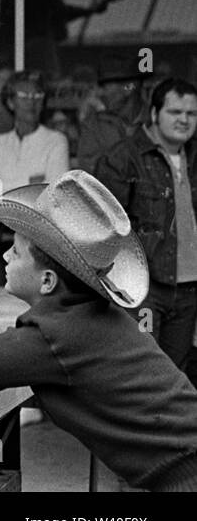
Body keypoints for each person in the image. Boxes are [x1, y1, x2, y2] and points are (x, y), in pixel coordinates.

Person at [0, 170, 197, 492]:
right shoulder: (95, 317)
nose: (7, 255)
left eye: (17, 251)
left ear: (48, 281)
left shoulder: (56, 337)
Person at [95, 77, 197, 384]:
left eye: (191, 114)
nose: (184, 120)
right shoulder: (122, 158)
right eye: (175, 111)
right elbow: (103, 229)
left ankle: (165, 433)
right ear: (154, 114)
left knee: (174, 377)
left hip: (189, 287)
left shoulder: (195, 158)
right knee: (138, 374)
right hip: (142, 288)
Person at [0, 70, 69, 281]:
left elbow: (52, 192)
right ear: (10, 102)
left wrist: (4, 189)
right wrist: (30, 183)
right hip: (2, 241)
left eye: (38, 96)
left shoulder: (56, 141)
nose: (32, 103)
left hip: (40, 243)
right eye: (24, 97)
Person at [76, 58, 146, 172]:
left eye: (104, 87)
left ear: (129, 87)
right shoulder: (94, 125)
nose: (99, 93)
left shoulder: (156, 121)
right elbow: (88, 173)